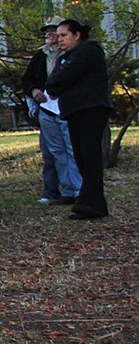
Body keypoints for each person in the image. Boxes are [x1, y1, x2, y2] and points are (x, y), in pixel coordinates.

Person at [45, 19, 111, 220]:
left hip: (90, 109)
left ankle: (92, 203)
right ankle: (89, 201)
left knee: (89, 155)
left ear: (77, 35)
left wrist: (59, 82)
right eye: (58, 35)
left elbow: (63, 78)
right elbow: (52, 84)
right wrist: (57, 82)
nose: (60, 39)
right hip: (74, 111)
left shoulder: (88, 52)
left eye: (64, 35)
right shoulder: (66, 57)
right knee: (81, 156)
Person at [22, 18, 82, 205]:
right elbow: (27, 79)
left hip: (67, 107)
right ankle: (66, 190)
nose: (49, 34)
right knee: (55, 152)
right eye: (46, 31)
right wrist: (34, 91)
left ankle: (79, 190)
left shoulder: (74, 54)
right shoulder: (41, 55)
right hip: (47, 109)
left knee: (72, 149)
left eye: (53, 31)